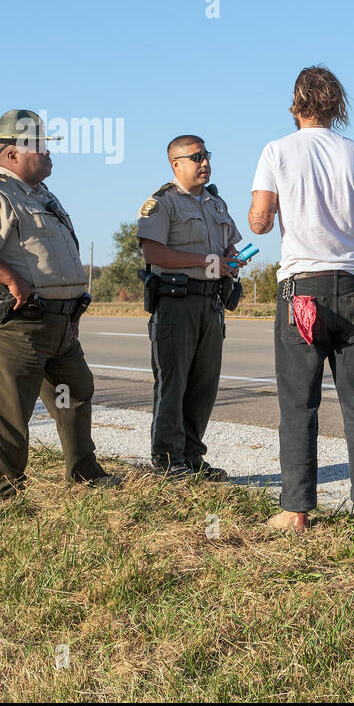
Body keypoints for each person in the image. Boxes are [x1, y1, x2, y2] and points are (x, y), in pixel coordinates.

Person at [248, 66, 354, 531]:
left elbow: (259, 221)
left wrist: (268, 211)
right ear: (337, 107)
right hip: (353, 287)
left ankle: (296, 510)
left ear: (296, 108)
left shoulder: (276, 151)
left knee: (298, 402)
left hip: (301, 294)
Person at [0, 109, 120, 499]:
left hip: (58, 323)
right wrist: (11, 278)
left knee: (73, 389)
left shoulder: (44, 197)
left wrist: (71, 308)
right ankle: (2, 489)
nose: (49, 153)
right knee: (9, 407)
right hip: (18, 322)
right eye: (40, 147)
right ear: (11, 154)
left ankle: (84, 471)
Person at [136, 134, 247, 480]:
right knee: (174, 382)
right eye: (196, 157)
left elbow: (229, 248)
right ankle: (169, 459)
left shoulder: (215, 203)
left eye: (206, 156)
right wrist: (207, 260)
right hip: (176, 302)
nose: (204, 163)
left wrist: (230, 261)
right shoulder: (162, 202)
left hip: (211, 302)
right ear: (176, 164)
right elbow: (153, 253)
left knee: (204, 384)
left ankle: (193, 456)